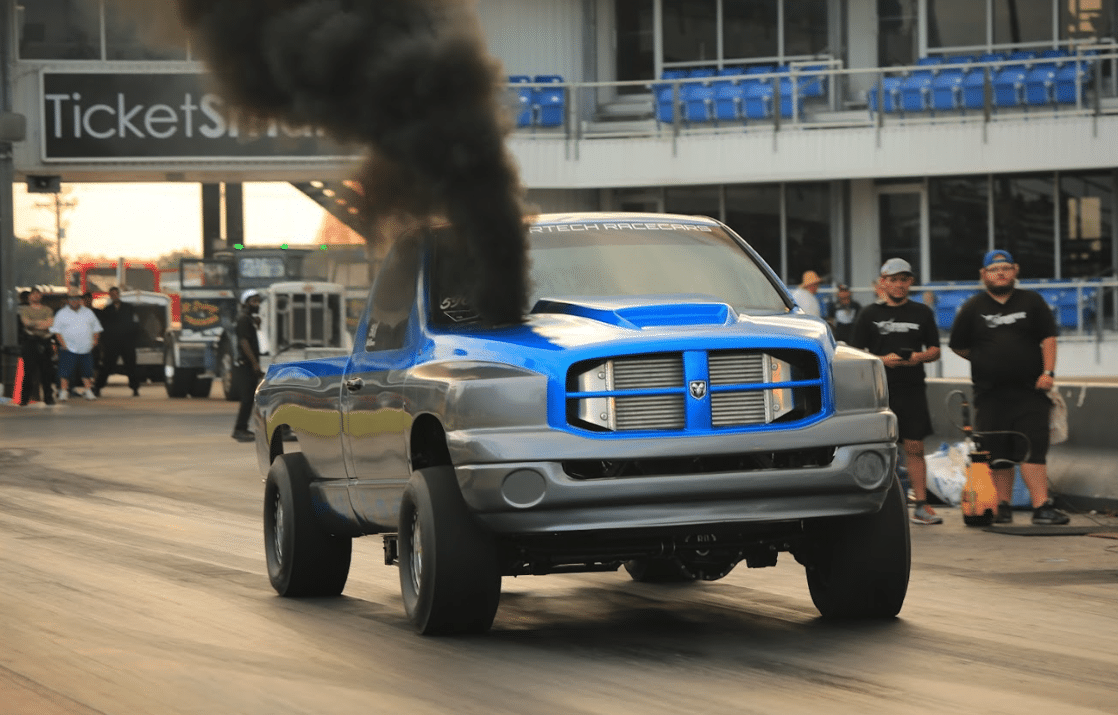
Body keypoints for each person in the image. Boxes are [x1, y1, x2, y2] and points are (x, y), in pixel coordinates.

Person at [949, 249, 1068, 525]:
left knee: (1033, 449)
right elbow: (958, 346)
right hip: (990, 394)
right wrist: (985, 359)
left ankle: (1041, 506)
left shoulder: (1032, 302)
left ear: (1015, 271)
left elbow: (1049, 338)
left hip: (1031, 391)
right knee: (997, 452)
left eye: (1005, 268)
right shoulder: (973, 307)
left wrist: (1048, 372)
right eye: (994, 269)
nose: (1000, 273)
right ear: (983, 275)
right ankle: (1003, 506)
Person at [850, 258, 943, 525]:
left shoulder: (922, 313)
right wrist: (882, 360)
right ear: (883, 282)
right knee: (880, 448)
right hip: (880, 391)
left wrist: (917, 357)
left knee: (914, 446)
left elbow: (935, 350)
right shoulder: (869, 314)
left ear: (910, 282)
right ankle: (876, 507)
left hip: (913, 389)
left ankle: (921, 505)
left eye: (903, 279)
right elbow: (854, 353)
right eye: (893, 280)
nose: (899, 285)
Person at [50, 290, 103, 401]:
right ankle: (64, 392)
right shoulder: (62, 313)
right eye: (71, 299)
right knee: (65, 372)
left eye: (76, 299)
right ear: (68, 300)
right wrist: (63, 344)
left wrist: (95, 341)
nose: (74, 301)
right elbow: (56, 331)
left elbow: (96, 328)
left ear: (80, 300)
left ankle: (88, 391)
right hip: (68, 348)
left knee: (87, 371)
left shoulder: (88, 312)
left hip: (85, 348)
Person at [95, 286, 141, 397]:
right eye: (112, 295)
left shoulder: (128, 308)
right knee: (107, 365)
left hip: (127, 343)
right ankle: (98, 387)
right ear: (110, 296)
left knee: (131, 366)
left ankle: (135, 388)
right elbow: (102, 327)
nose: (114, 296)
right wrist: (105, 342)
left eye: (116, 294)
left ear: (119, 295)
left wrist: (133, 339)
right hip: (112, 343)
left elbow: (136, 323)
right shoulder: (107, 310)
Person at [232, 289, 263, 442]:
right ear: (245, 303)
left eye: (258, 301)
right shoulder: (243, 319)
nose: (256, 304)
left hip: (250, 364)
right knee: (247, 398)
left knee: (250, 398)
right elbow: (244, 342)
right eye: (253, 301)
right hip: (246, 365)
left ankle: (243, 428)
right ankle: (240, 430)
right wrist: (255, 363)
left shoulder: (250, 319)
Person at [17, 288, 56, 406]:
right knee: (28, 371)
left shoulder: (47, 309)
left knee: (47, 372)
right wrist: (41, 323)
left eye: (38, 294)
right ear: (29, 297)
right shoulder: (25, 310)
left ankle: (48, 398)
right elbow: (26, 323)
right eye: (33, 294)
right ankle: (24, 399)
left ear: (41, 296)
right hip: (30, 342)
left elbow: (49, 323)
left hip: (45, 342)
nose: (36, 296)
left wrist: (34, 323)